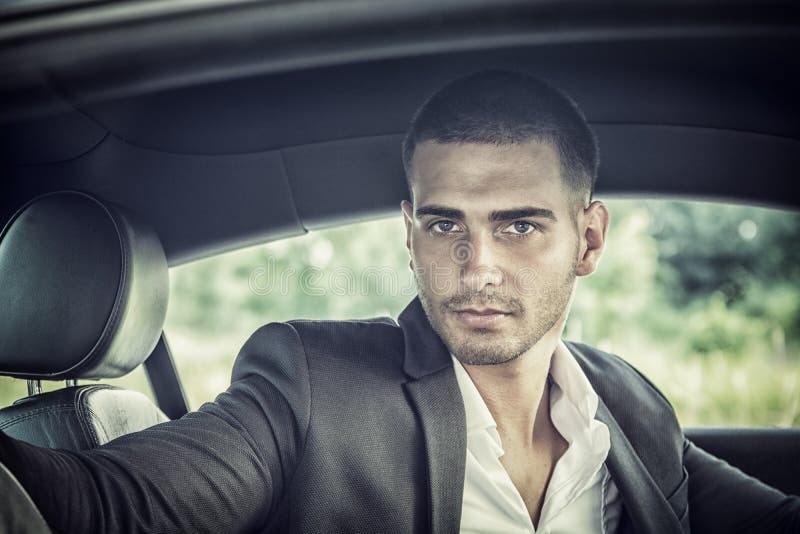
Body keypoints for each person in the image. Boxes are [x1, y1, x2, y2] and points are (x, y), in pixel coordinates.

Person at [1, 70, 798, 533]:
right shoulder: (310, 384)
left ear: (589, 240)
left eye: (519, 225)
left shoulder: (627, 403)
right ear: (410, 233)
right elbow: (103, 505)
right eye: (447, 223)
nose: (475, 265)